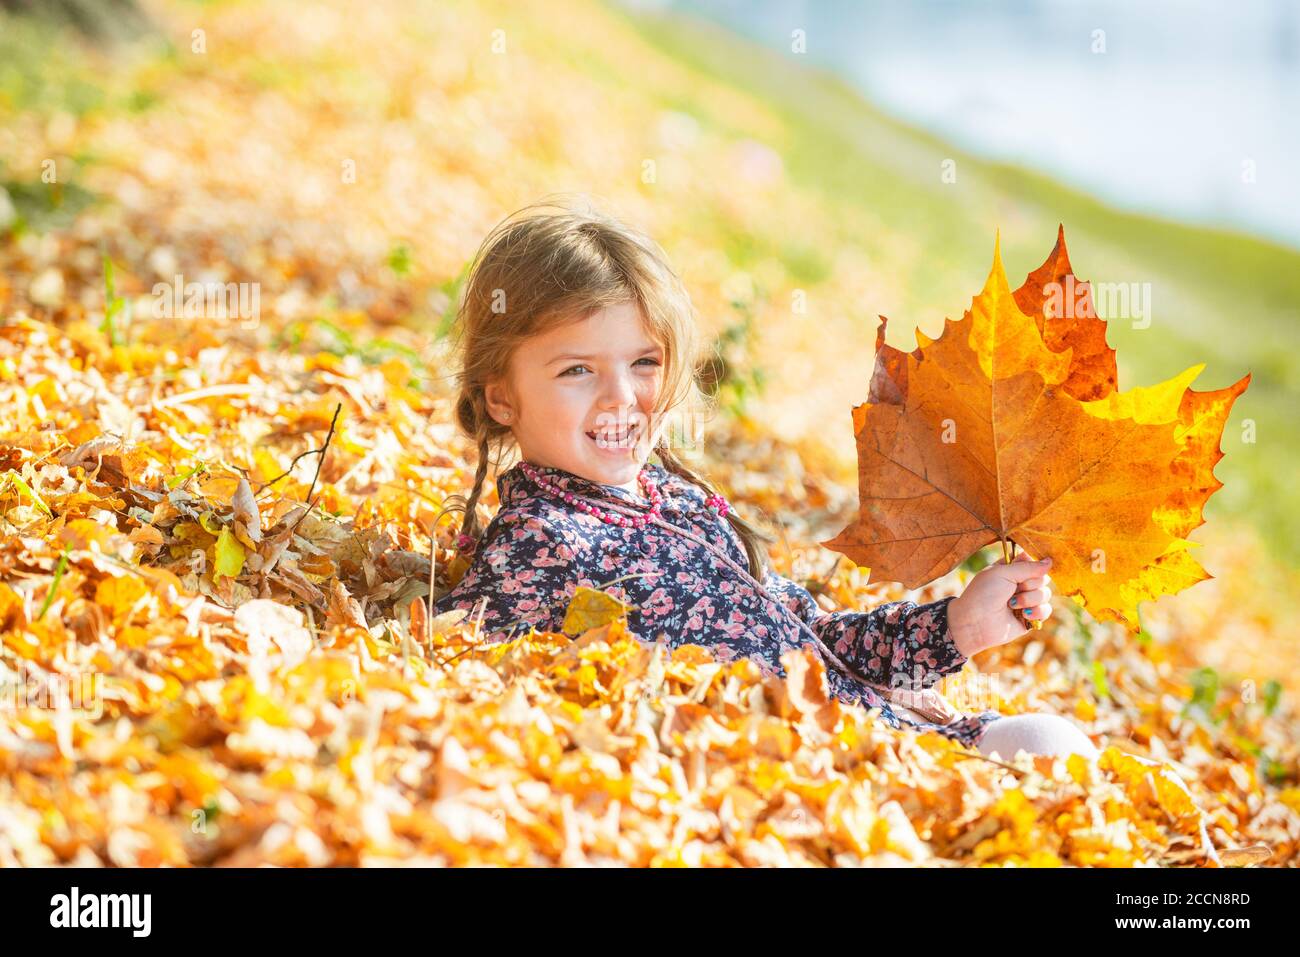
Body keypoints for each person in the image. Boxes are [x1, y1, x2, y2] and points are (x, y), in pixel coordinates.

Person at [432, 195, 1099, 762]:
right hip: (818, 764)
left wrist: (959, 626)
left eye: (643, 362)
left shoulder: (685, 504)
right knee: (1056, 751)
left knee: (1062, 743)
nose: (621, 396)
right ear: (500, 397)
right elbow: (470, 645)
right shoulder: (541, 540)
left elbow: (816, 638)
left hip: (886, 728)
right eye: (576, 370)